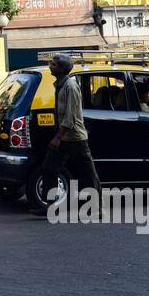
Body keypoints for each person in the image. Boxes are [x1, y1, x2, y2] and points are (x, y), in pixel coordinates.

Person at [36, 54, 102, 217]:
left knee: (88, 174)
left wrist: (57, 137)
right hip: (63, 137)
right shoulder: (59, 84)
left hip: (75, 138)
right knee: (49, 168)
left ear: (62, 69)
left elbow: (70, 117)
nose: (50, 66)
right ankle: (49, 206)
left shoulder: (70, 86)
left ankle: (97, 208)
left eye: (54, 64)